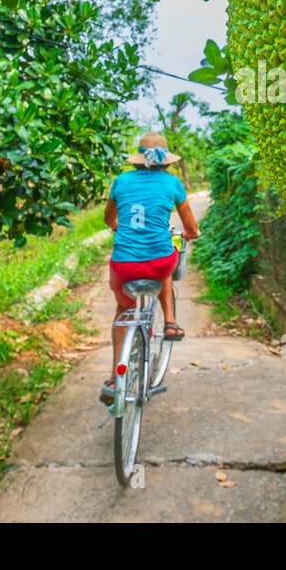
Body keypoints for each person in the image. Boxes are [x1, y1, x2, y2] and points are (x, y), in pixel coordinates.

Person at [101, 132, 200, 403]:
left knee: (123, 310)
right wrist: (191, 233)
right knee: (166, 262)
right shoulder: (173, 183)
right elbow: (190, 227)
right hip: (158, 263)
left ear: (137, 160)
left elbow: (109, 218)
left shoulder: (121, 181)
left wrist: (118, 226)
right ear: (165, 162)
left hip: (124, 266)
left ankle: (113, 379)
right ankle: (170, 322)